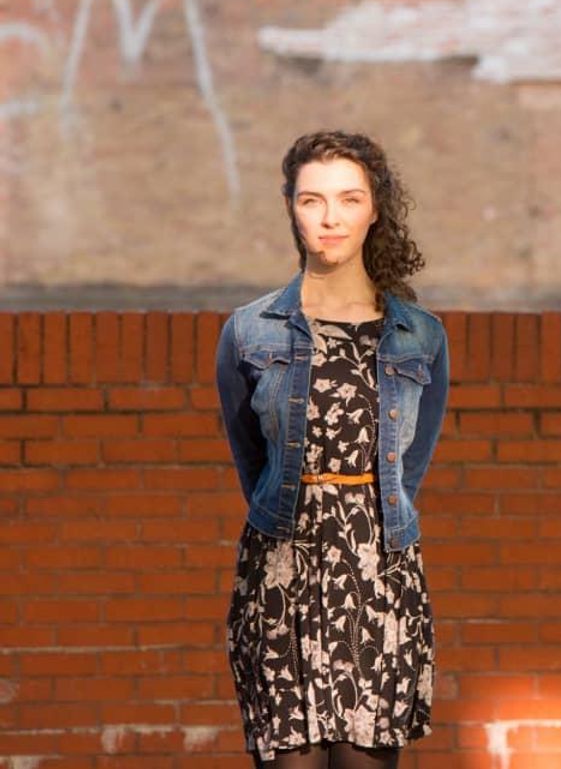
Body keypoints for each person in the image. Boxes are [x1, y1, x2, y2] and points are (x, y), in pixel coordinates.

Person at [216, 130, 450, 768]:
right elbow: (252, 462)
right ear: (291, 208)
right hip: (281, 573)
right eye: (312, 200)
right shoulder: (248, 329)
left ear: (375, 208)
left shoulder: (419, 335)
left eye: (349, 199)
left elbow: (411, 464)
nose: (330, 217)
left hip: (381, 576)